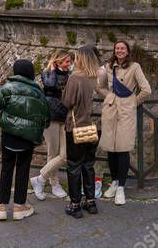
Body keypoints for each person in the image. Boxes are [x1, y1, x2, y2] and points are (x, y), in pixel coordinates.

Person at [0, 58, 50, 221]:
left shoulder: (8, 88)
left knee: (6, 168)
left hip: (9, 136)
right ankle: (19, 206)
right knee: (23, 170)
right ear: (31, 73)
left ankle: (1, 207)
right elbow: (46, 118)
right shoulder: (39, 93)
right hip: (27, 139)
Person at [97, 40, 151, 205]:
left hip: (126, 112)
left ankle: (121, 187)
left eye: (122, 48)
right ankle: (113, 182)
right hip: (110, 110)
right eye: (117, 48)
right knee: (110, 148)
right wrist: (109, 96)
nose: (119, 51)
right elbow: (99, 86)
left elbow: (146, 89)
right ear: (114, 50)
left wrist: (132, 102)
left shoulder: (135, 67)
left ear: (127, 51)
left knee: (122, 149)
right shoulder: (108, 66)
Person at [61, 45, 100, 218]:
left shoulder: (75, 77)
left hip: (75, 127)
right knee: (88, 165)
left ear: (81, 59)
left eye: (76, 57)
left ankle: (75, 204)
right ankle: (90, 202)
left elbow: (67, 103)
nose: (74, 59)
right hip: (91, 127)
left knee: (74, 166)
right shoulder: (94, 77)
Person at [30, 50, 72, 200]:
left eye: (70, 61)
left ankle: (39, 179)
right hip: (51, 116)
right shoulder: (48, 73)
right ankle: (54, 184)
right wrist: (53, 70)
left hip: (66, 117)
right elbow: (48, 86)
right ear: (58, 61)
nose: (69, 64)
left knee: (65, 155)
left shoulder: (70, 75)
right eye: (66, 61)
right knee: (52, 152)